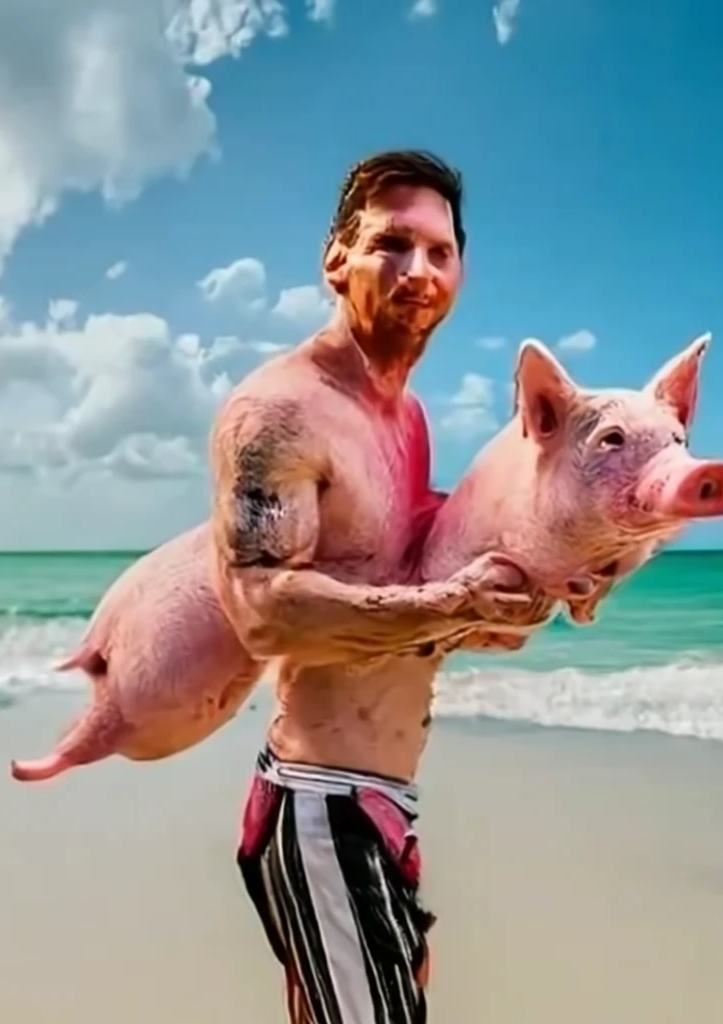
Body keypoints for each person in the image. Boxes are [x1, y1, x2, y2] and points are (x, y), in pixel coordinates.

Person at [208, 150, 553, 1024]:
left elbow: (390, 592)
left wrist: (501, 606)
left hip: (383, 806)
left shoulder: (407, 419)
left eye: (440, 252)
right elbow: (261, 612)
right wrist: (449, 606)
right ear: (336, 259)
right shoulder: (282, 410)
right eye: (393, 244)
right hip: (319, 806)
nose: (419, 272)